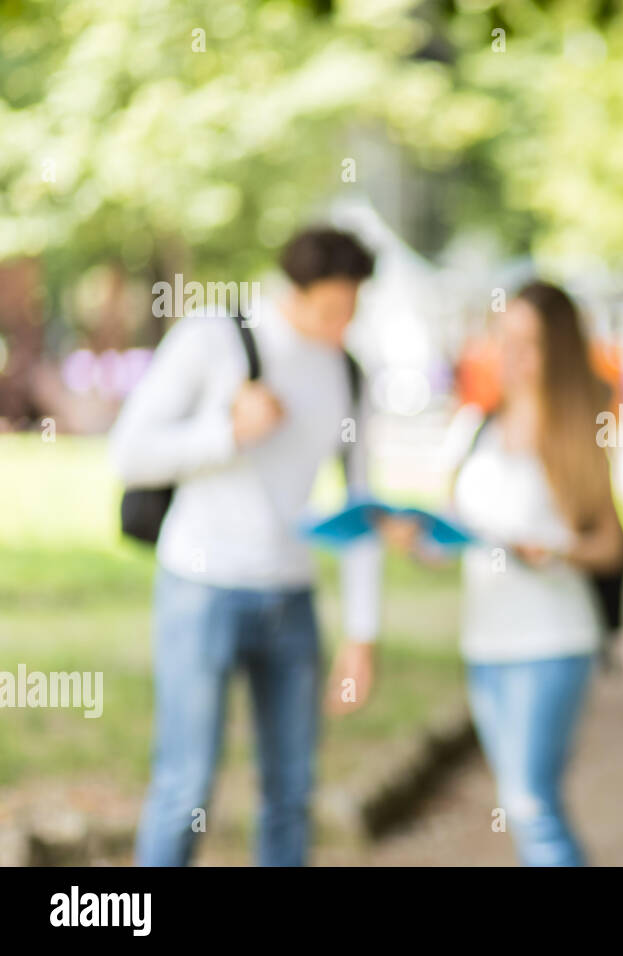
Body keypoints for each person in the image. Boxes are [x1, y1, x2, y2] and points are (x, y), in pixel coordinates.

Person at [109, 227, 384, 866]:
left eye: (351, 309)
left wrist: (362, 635)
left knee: (291, 793)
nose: (340, 324)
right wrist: (226, 431)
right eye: (329, 309)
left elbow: (360, 507)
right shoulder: (214, 338)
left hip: (292, 598)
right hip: (200, 589)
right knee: (186, 785)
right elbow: (129, 453)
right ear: (294, 290)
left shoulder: (346, 371)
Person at [381, 280, 623, 866]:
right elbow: (455, 534)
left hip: (553, 640)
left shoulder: (577, 430)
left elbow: (609, 547)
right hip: (486, 641)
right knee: (523, 804)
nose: (514, 355)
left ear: (558, 349)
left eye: (531, 342)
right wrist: (418, 541)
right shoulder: (477, 426)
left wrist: (555, 550)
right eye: (506, 338)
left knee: (530, 804)